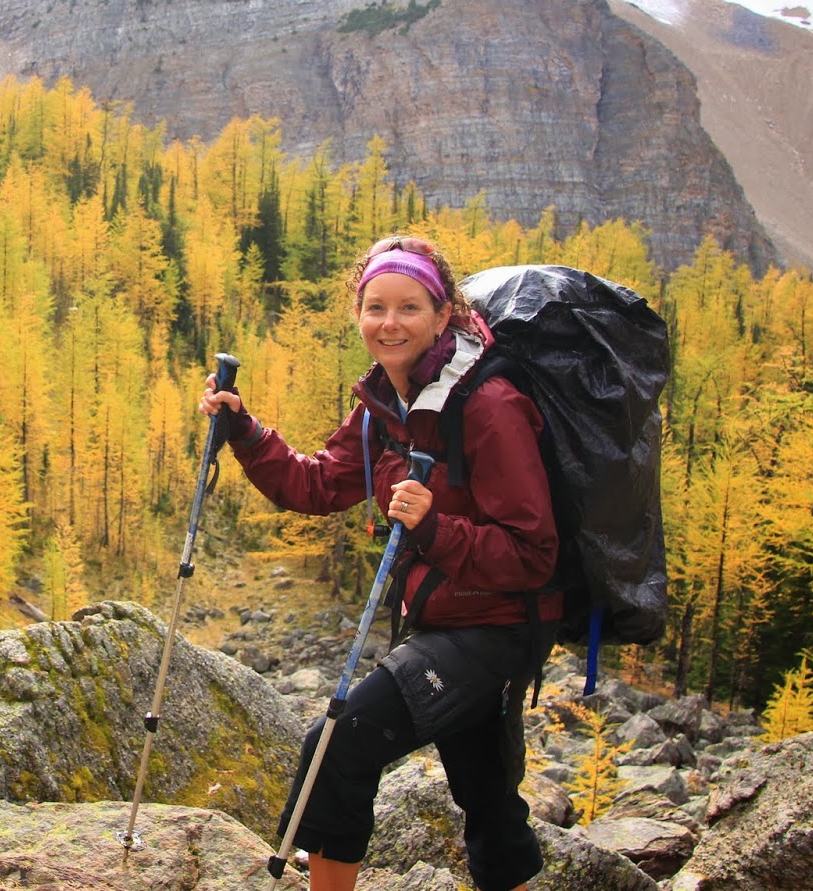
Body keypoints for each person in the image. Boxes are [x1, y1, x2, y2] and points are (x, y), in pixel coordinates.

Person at [199, 235, 559, 891]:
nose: (389, 323)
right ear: (359, 312)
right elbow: (315, 485)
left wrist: (435, 527)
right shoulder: (385, 407)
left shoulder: (489, 406)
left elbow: (534, 554)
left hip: (497, 627)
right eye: (375, 307)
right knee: (487, 795)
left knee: (338, 745)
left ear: (444, 312)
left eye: (409, 307)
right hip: (440, 617)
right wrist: (246, 431)